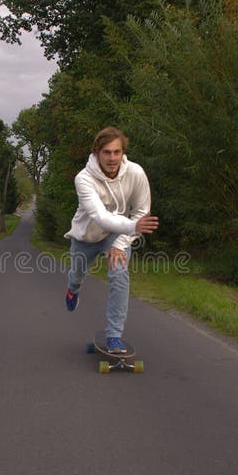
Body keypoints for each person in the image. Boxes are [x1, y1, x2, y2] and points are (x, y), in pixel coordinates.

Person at [64, 126, 159, 353]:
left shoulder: (135, 173)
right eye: (107, 152)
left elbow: (141, 212)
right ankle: (72, 289)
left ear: (123, 153)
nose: (112, 158)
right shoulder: (84, 179)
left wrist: (120, 242)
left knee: (119, 273)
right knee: (77, 275)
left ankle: (114, 335)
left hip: (118, 233)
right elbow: (100, 216)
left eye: (117, 152)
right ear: (97, 152)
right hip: (86, 236)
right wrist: (132, 226)